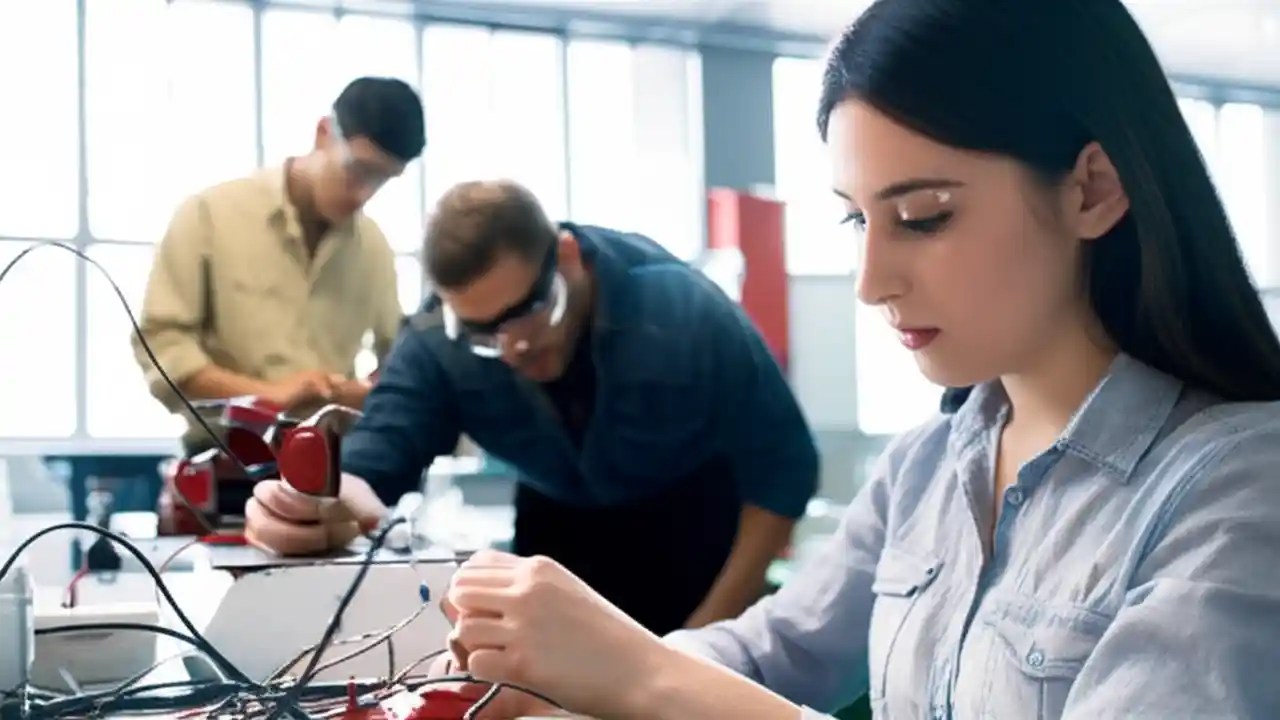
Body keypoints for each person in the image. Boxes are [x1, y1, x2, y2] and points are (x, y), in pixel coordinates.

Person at [431, 0, 1280, 718]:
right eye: (855, 221)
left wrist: (643, 674)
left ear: (1091, 189)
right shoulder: (926, 468)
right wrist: (562, 685)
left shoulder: (1240, 487)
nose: (871, 282)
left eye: (923, 217)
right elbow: (773, 652)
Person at [244, 179, 820, 635]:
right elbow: (374, 463)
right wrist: (315, 509)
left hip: (695, 534)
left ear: (565, 256)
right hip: (559, 538)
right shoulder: (436, 340)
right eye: (483, 332)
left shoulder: (678, 307)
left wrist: (707, 637)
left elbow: (785, 470)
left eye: (527, 312)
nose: (512, 347)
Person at [133, 76, 423, 453]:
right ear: (323, 133)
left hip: (329, 467)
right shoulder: (209, 216)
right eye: (359, 169)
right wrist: (271, 397)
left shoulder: (375, 248)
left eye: (383, 179)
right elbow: (164, 350)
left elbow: (398, 361)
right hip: (224, 463)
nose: (364, 192)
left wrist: (360, 394)